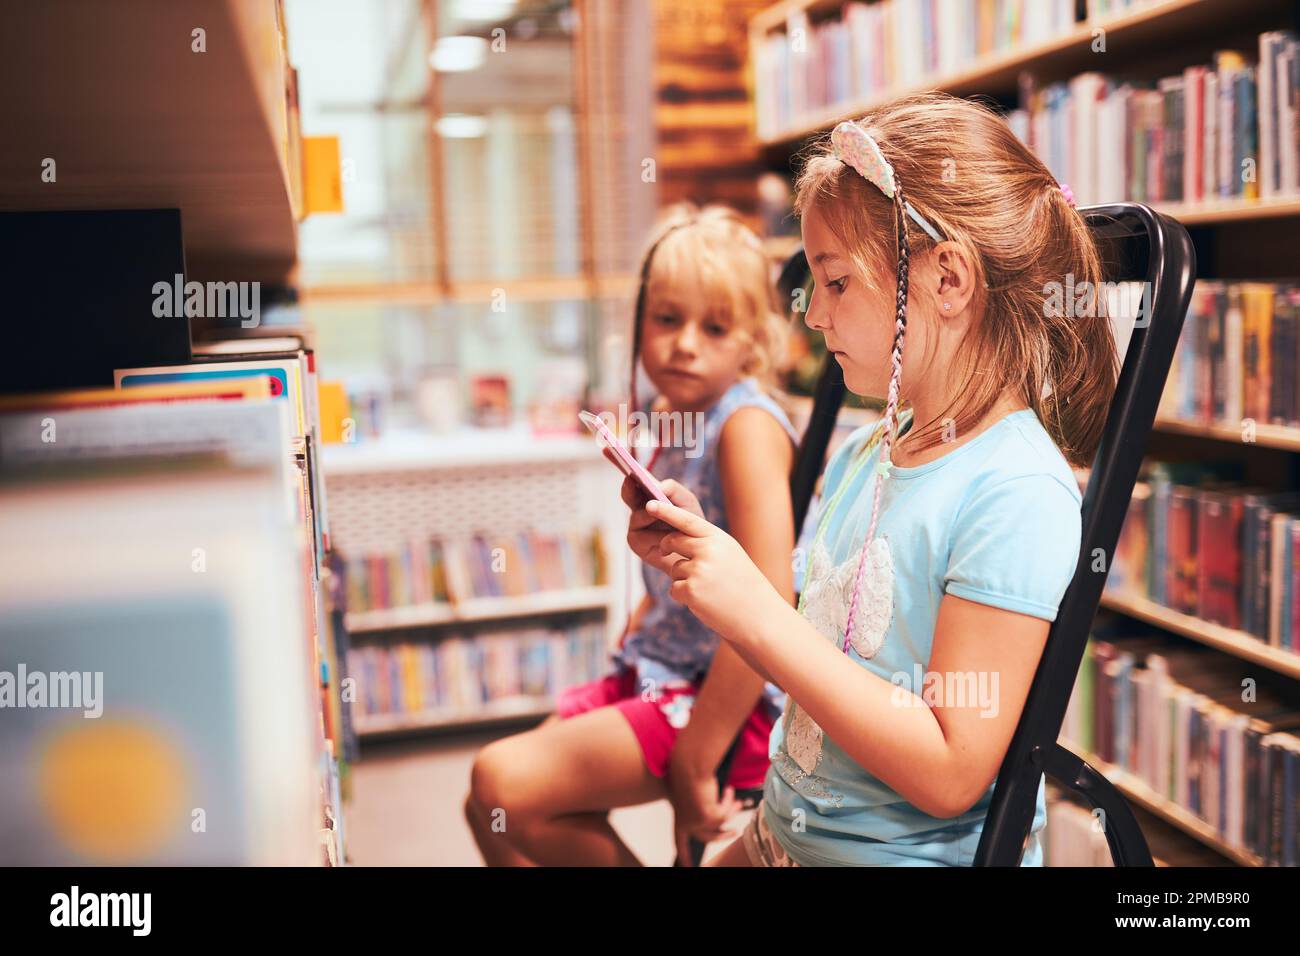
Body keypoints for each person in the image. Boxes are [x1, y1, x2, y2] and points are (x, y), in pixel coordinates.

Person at [625, 93, 1116, 866]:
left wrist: (756, 615)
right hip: (784, 839)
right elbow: (819, 632)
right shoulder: (872, 450)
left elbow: (952, 769)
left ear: (948, 280)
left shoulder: (1016, 491)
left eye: (836, 283)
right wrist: (708, 552)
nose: (814, 317)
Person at [466, 204, 799, 865]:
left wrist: (695, 762)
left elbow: (771, 607)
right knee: (489, 806)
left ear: (752, 343)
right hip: (664, 672)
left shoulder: (746, 428)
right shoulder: (673, 416)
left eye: (715, 327)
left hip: (730, 700)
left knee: (503, 783)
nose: (684, 344)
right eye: (667, 319)